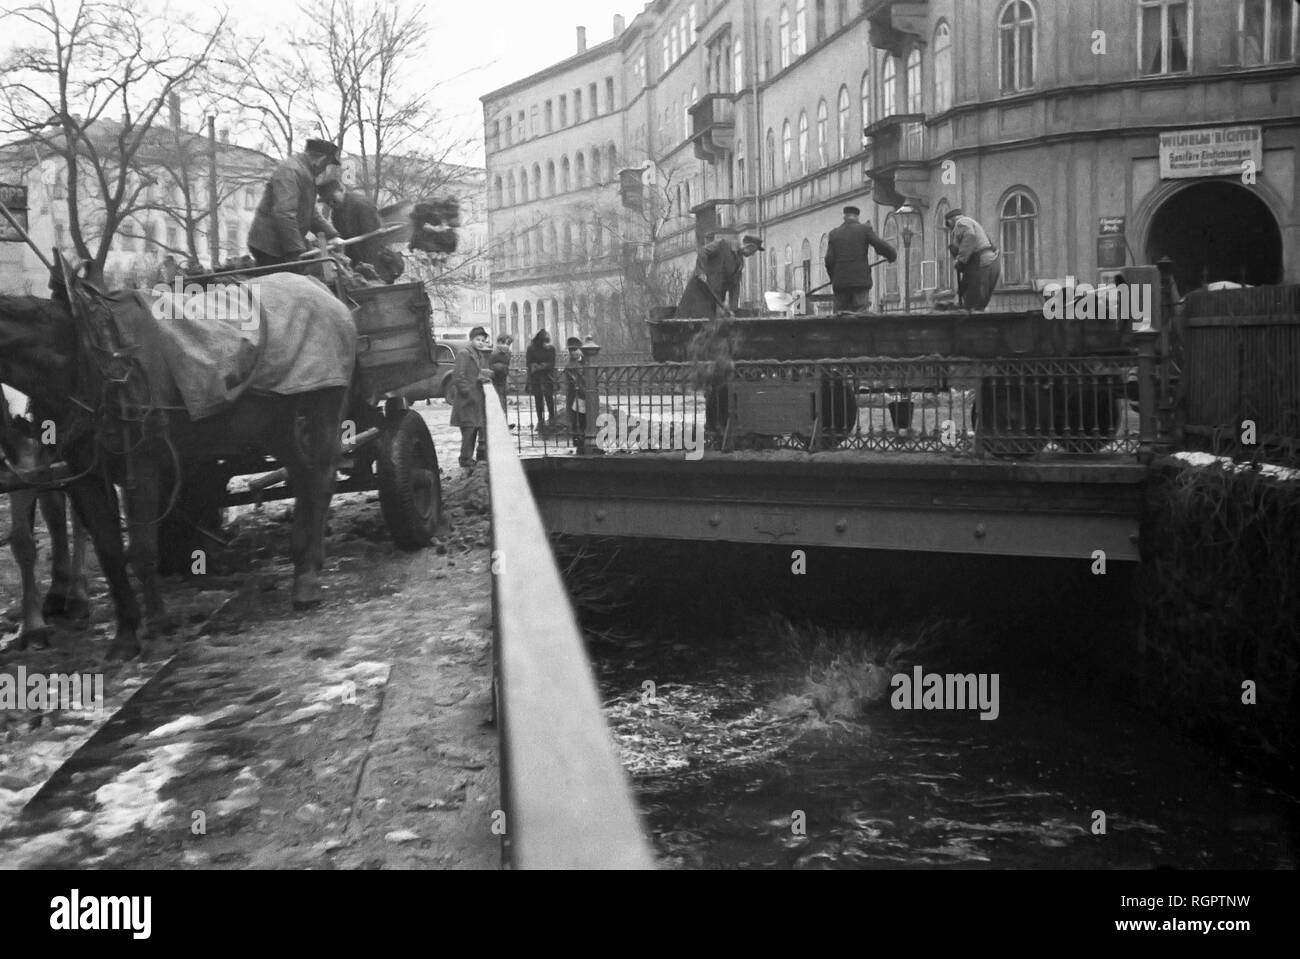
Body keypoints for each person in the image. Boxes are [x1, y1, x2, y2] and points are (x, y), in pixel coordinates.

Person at [247, 138, 342, 268]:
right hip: (270, 247)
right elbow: (283, 213)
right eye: (326, 165)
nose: (324, 169)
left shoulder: (305, 173)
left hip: (282, 245)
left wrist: (331, 235)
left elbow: (310, 213)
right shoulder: (291, 171)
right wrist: (296, 250)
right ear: (320, 159)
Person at [316, 168, 405, 283]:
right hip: (357, 261)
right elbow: (343, 238)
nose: (331, 203)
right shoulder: (336, 213)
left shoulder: (361, 205)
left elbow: (373, 239)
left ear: (341, 190)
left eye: (332, 198)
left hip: (375, 262)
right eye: (327, 201)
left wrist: (365, 268)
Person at [824, 205, 897, 312]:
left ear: (844, 217)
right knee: (860, 317)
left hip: (841, 285)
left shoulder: (834, 234)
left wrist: (833, 278)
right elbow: (880, 246)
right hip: (860, 284)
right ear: (857, 217)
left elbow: (828, 260)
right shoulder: (864, 230)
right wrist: (891, 255)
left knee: (840, 320)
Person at [675, 233, 763, 318]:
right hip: (698, 294)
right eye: (754, 251)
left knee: (710, 327)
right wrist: (701, 272)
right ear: (750, 247)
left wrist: (733, 309)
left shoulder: (739, 263)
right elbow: (703, 252)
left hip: (714, 300)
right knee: (690, 324)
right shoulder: (721, 245)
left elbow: (735, 286)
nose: (753, 254)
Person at [449, 326, 493, 468]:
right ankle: (465, 459)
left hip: (474, 400)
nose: (481, 342)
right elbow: (458, 376)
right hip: (466, 401)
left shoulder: (477, 354)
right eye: (477, 339)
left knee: (473, 428)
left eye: (483, 340)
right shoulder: (464, 353)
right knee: (468, 430)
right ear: (471, 339)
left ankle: (468, 458)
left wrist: (483, 376)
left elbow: (474, 373)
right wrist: (467, 392)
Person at [945, 208, 1001, 311]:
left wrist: (961, 260)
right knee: (980, 304)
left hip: (982, 264)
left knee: (972, 305)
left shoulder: (961, 223)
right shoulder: (974, 223)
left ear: (951, 220)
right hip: (993, 263)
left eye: (948, 225)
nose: (950, 229)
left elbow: (969, 237)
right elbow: (990, 243)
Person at [525, 329, 558, 429]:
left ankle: (552, 418)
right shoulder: (531, 349)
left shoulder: (551, 349)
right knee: (538, 398)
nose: (547, 343)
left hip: (547, 376)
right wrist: (536, 367)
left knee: (549, 397)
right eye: (545, 341)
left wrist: (541, 366)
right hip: (535, 377)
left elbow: (552, 363)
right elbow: (529, 363)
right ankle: (540, 420)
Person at [563, 336, 586, 448]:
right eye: (571, 350)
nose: (573, 352)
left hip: (585, 395)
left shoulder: (586, 362)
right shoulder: (569, 365)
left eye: (575, 349)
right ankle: (577, 438)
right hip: (574, 396)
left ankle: (584, 437)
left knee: (584, 418)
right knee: (576, 417)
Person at [488, 333, 513, 414]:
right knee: (499, 401)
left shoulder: (508, 353)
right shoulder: (495, 353)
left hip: (503, 380)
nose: (505, 346)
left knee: (503, 401)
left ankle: (504, 421)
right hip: (495, 380)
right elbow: (490, 366)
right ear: (498, 343)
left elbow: (507, 365)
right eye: (503, 343)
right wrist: (501, 367)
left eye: (508, 344)